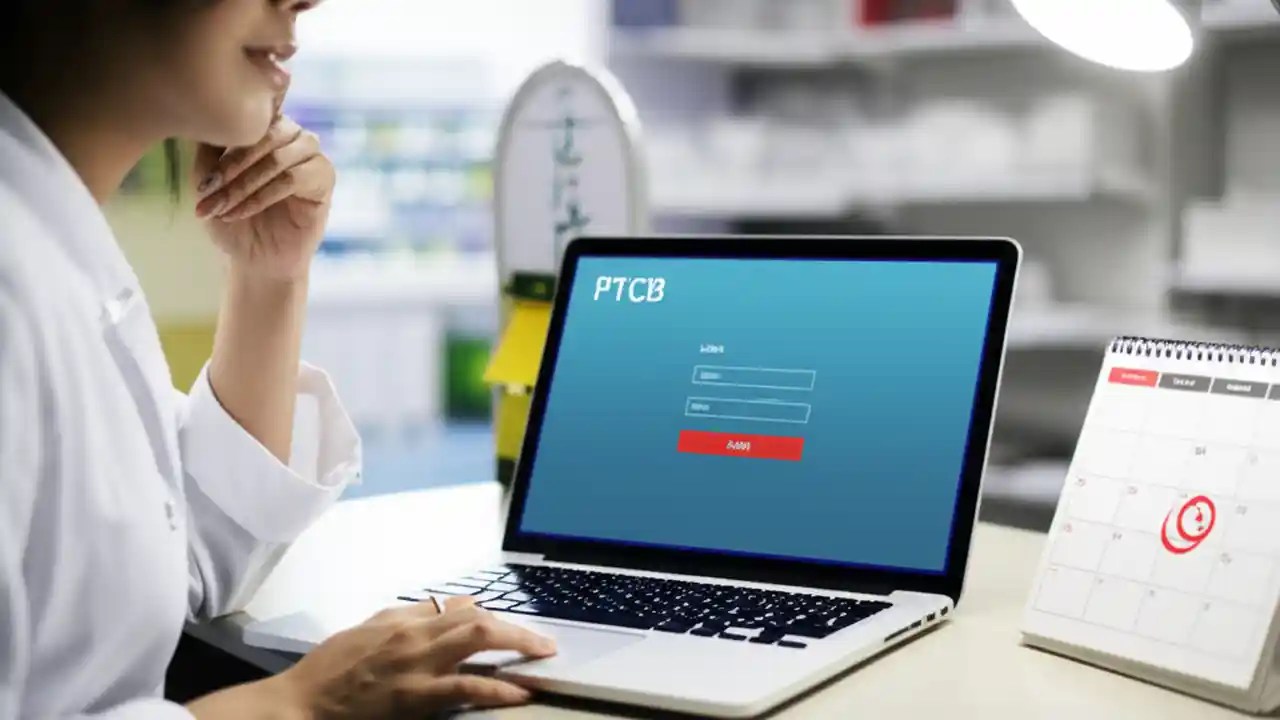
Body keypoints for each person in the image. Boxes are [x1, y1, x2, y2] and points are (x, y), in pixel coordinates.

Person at [0, 1, 556, 717]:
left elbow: (174, 561)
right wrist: (302, 702)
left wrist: (270, 275)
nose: (306, 1)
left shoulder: (55, 247)